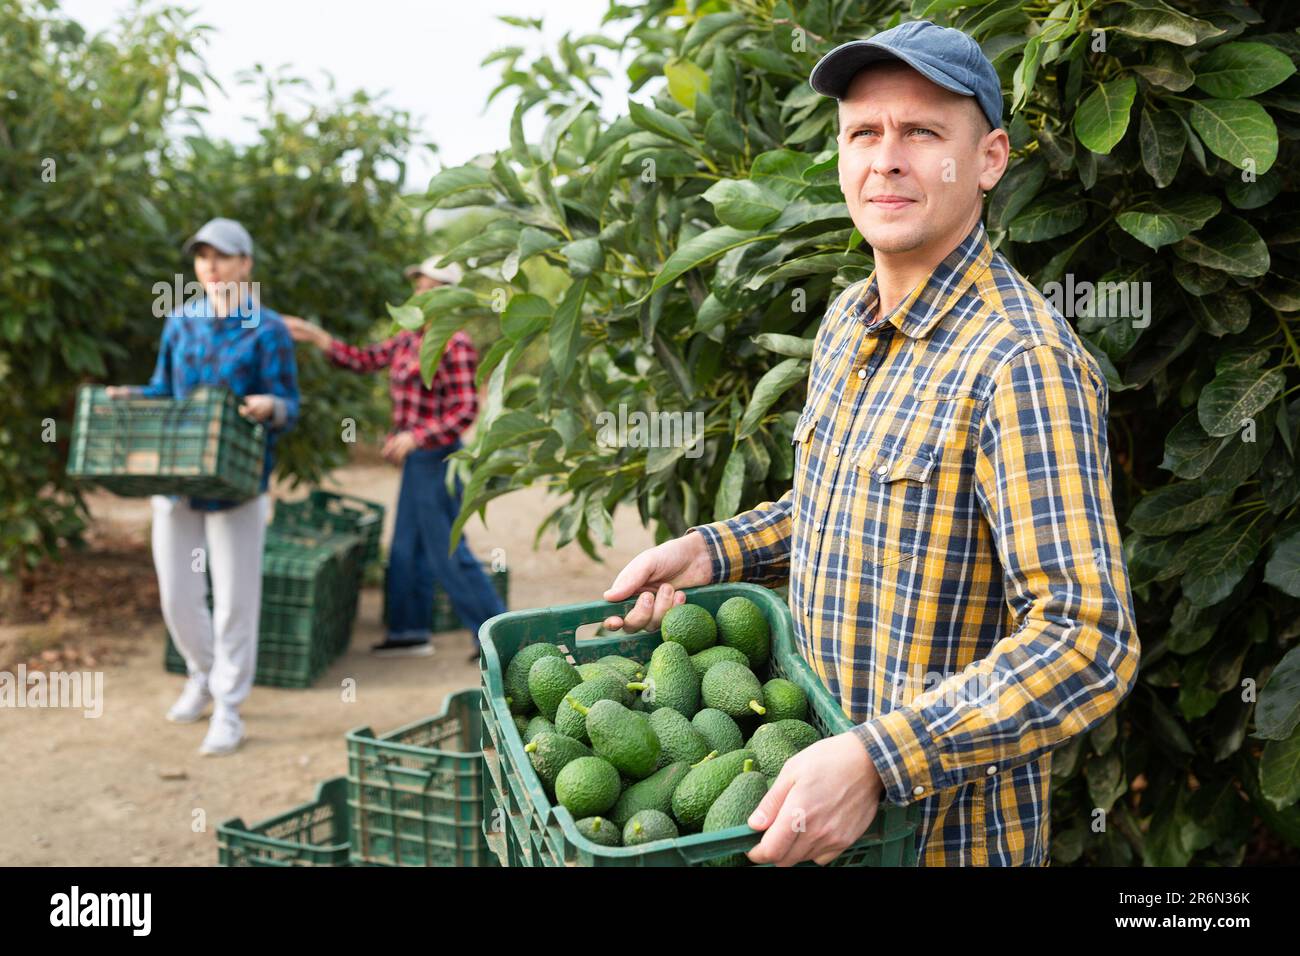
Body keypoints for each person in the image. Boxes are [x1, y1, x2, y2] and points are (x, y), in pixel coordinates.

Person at [601, 20, 1140, 866]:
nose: (886, 159)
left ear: (990, 159)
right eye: (863, 133)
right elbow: (837, 505)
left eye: (921, 133)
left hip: (940, 843)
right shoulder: (849, 322)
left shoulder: (1019, 363)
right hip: (804, 823)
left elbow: (1087, 639)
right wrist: (710, 552)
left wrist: (877, 760)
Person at [107, 217, 300, 756]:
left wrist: (270, 406)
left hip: (236, 483)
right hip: (176, 480)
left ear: (245, 264)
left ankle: (229, 706)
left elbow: (290, 403)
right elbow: (164, 390)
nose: (210, 266)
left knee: (236, 598)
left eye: (222, 256)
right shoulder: (180, 322)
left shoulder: (267, 329)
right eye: (202, 257)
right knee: (177, 593)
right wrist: (132, 397)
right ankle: (201, 674)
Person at [284, 257, 505, 661]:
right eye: (418, 286)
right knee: (406, 548)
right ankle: (409, 631)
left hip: (438, 458)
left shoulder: (454, 343)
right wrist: (318, 338)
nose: (421, 294)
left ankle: (494, 635)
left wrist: (416, 437)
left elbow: (465, 410)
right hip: (416, 461)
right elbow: (364, 359)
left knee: (447, 550)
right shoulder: (408, 337)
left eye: (431, 288)